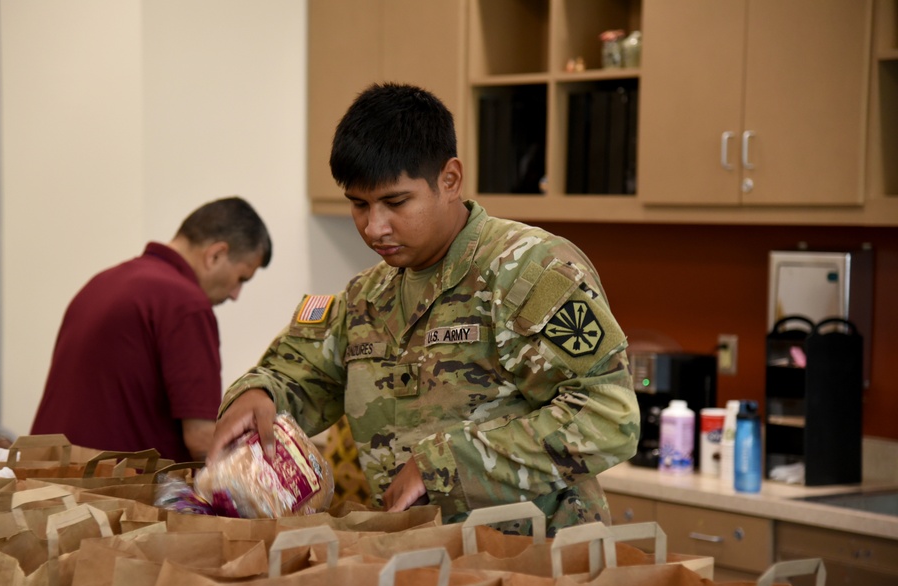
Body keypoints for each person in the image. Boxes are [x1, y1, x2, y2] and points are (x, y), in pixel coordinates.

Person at [210, 83, 638, 535]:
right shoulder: (365, 297)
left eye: (395, 202)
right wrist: (258, 394)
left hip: (538, 563)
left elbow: (609, 415)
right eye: (359, 205)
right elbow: (296, 376)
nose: (374, 227)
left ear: (449, 180)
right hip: (419, 565)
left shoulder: (527, 271)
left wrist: (447, 465)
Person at [32, 197, 272, 462]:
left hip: (43, 477)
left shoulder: (104, 282)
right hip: (109, 491)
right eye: (241, 278)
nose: (236, 294)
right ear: (215, 254)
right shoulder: (186, 303)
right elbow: (202, 440)